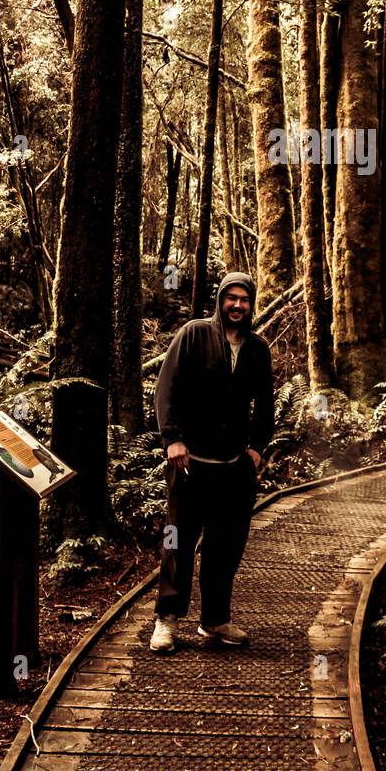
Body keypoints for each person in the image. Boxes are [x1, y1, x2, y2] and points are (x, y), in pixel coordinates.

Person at [150, 271, 274, 650]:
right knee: (178, 542)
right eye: (231, 298)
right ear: (220, 300)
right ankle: (166, 620)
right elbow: (166, 387)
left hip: (233, 467)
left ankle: (215, 620)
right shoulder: (194, 334)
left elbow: (266, 403)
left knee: (226, 546)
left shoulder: (256, 348)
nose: (237, 305)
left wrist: (256, 448)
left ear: (251, 305)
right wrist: (172, 439)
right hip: (190, 464)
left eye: (244, 300)